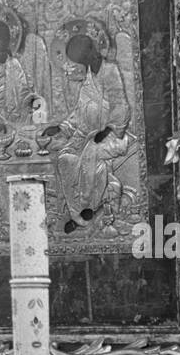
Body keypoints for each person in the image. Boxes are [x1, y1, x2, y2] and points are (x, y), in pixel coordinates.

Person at [52, 32, 134, 233]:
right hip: (85, 133)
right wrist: (62, 127)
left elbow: (121, 105)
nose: (81, 62)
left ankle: (87, 207)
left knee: (91, 152)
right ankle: (76, 213)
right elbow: (79, 113)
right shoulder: (89, 78)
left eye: (82, 57)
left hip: (113, 136)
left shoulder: (110, 71)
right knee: (65, 158)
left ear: (91, 50)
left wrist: (108, 130)